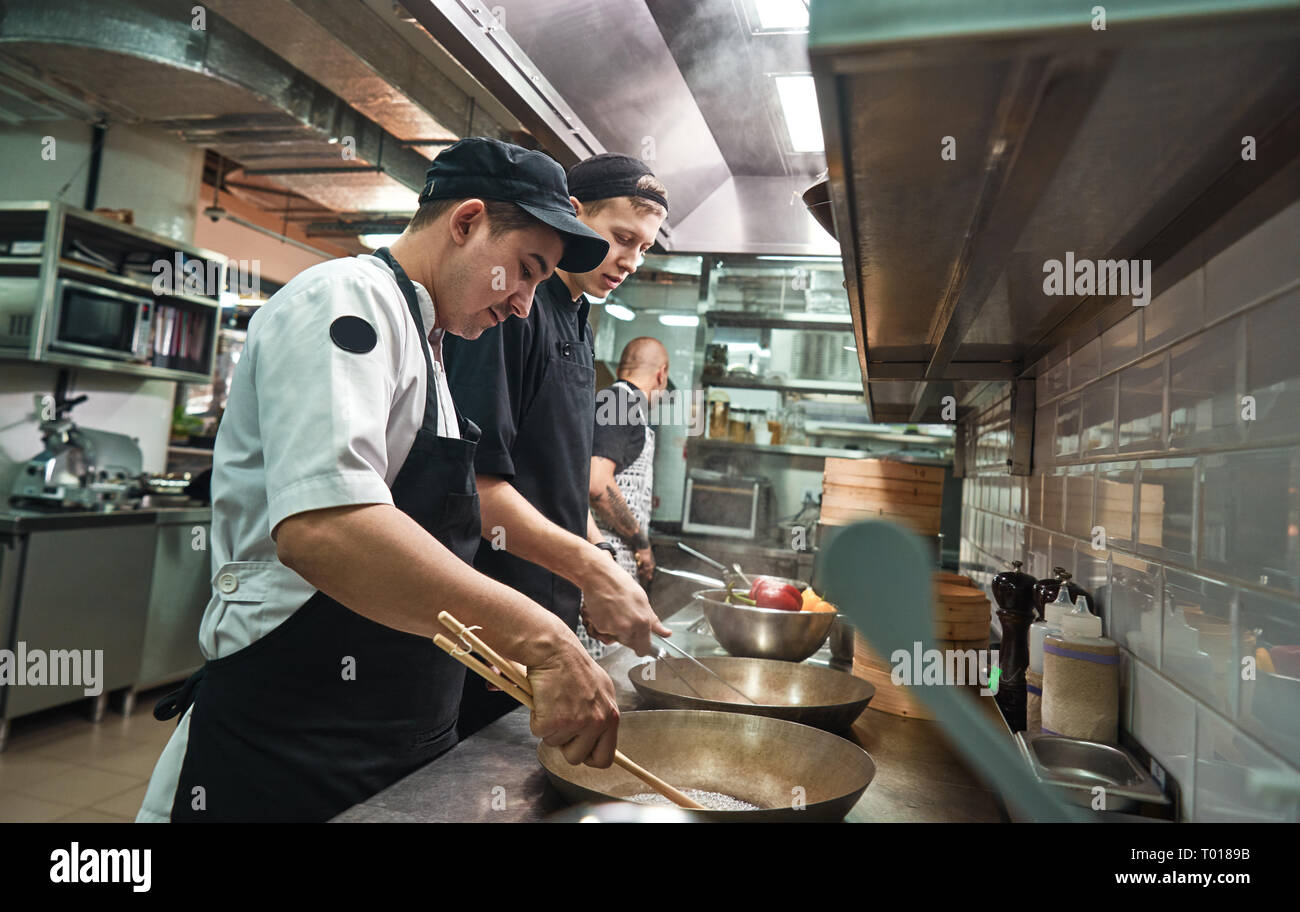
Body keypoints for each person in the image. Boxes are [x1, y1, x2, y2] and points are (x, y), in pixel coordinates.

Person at [136, 138, 620, 823]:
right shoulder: (346, 302)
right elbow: (329, 529)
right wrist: (540, 638)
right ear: (466, 222)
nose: (522, 305)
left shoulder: (431, 347)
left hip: (383, 742)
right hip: (287, 748)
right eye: (525, 270)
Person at [443, 153, 671, 737]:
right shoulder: (506, 310)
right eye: (622, 237)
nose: (631, 260)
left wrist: (601, 561)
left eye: (644, 248)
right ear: (573, 216)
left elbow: (557, 478)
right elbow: (475, 484)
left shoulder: (578, 319)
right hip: (490, 616)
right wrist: (594, 571)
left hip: (547, 616)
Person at [590, 338, 669, 587]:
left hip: (609, 561)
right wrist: (640, 540)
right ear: (661, 374)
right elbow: (597, 485)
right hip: (602, 557)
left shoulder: (622, 403)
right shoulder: (619, 403)